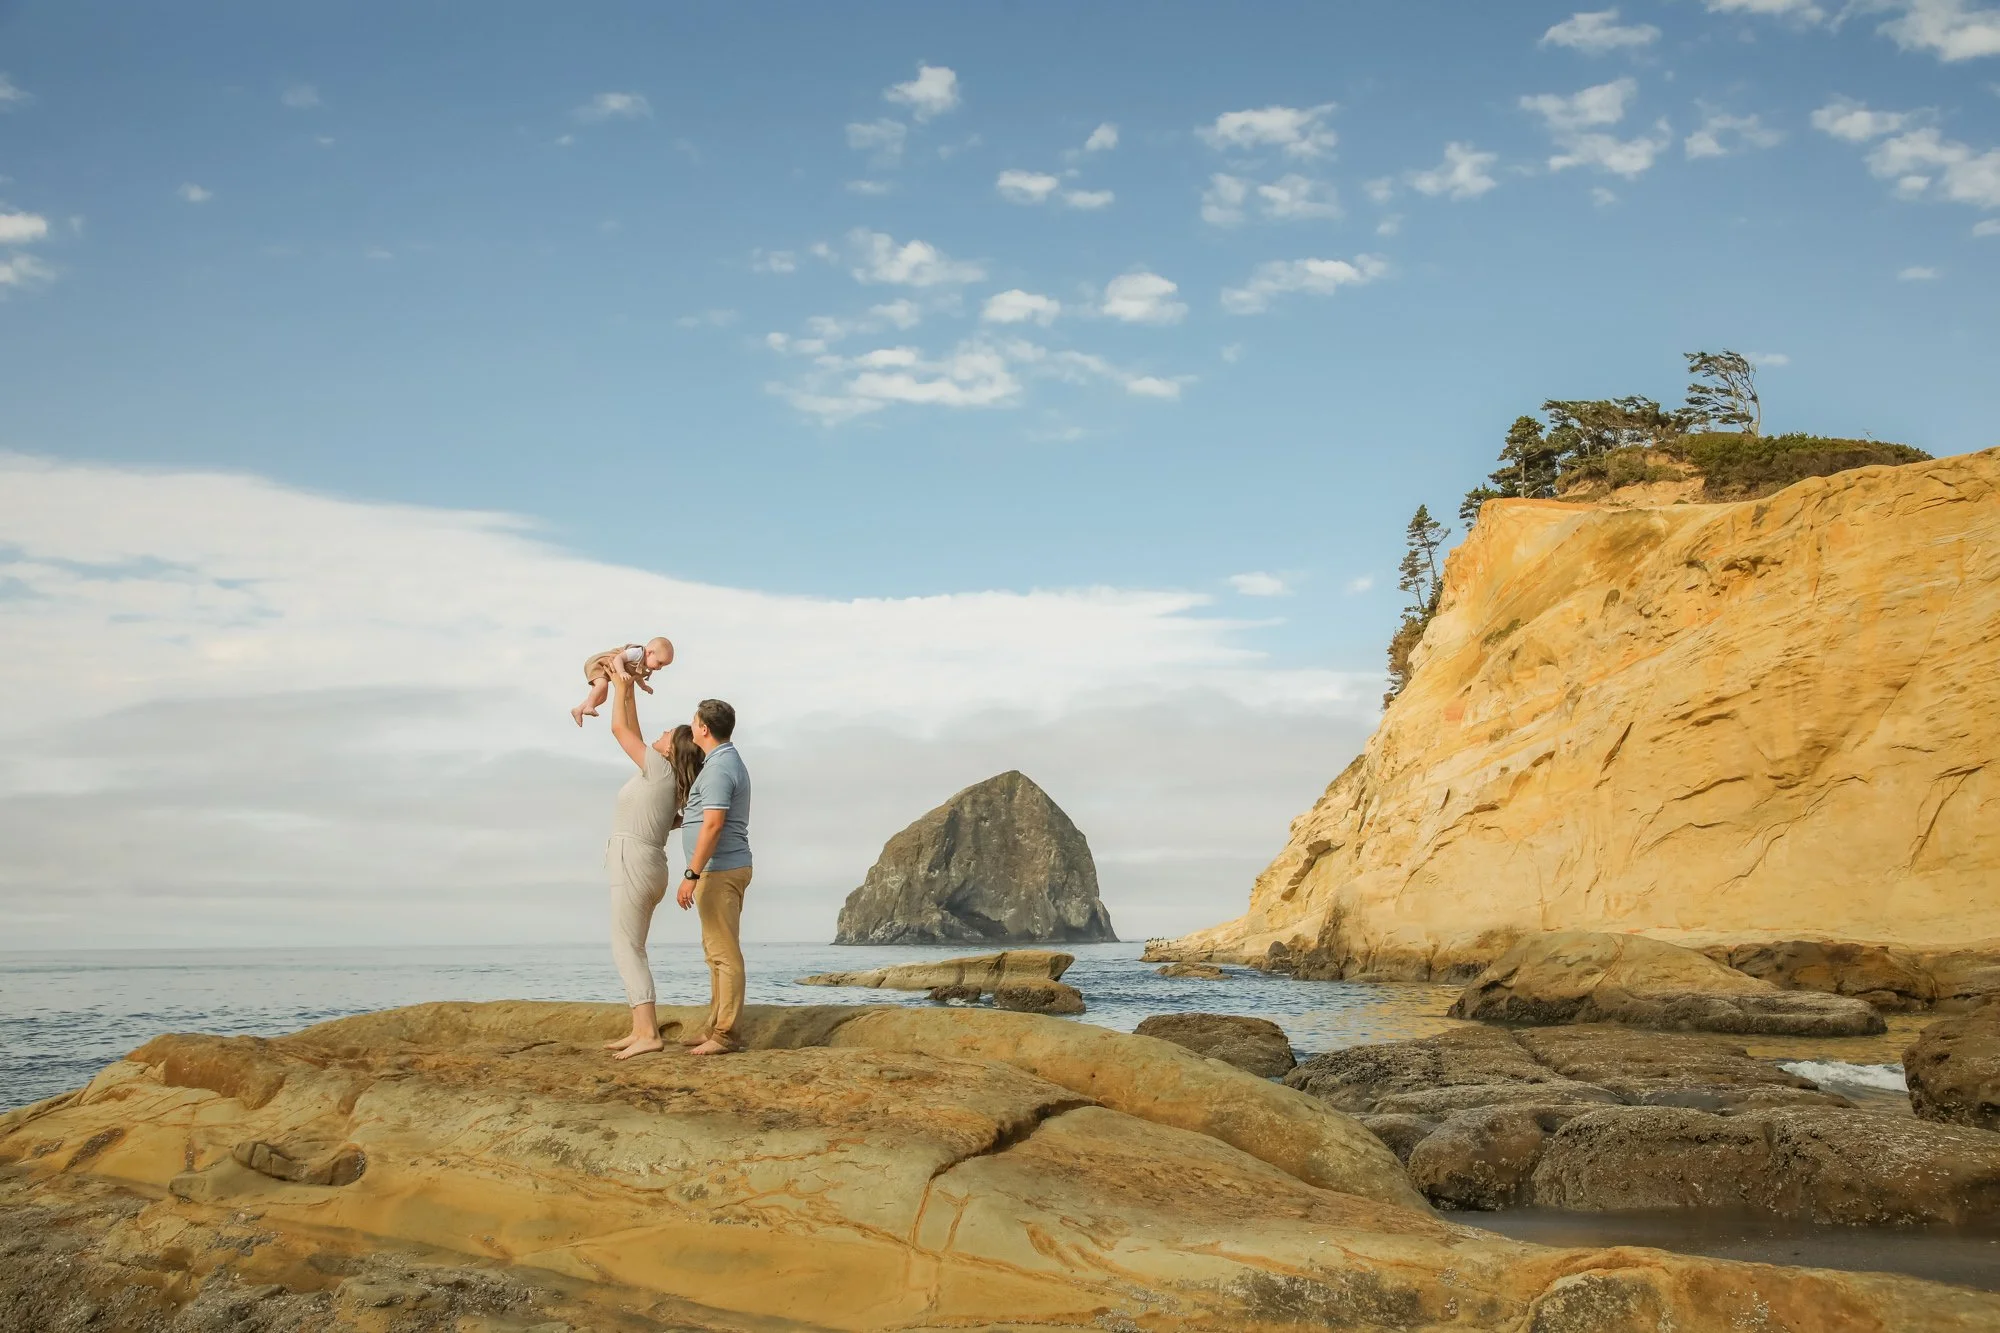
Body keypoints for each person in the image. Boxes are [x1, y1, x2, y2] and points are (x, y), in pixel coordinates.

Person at [601, 672, 703, 1060]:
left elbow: (618, 728)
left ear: (671, 749)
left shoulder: (660, 770)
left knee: (626, 948)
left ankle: (647, 1033)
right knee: (633, 946)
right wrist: (624, 688)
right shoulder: (669, 776)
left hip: (634, 861)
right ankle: (639, 1028)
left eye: (665, 734)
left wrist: (617, 683)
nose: (657, 735)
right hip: (648, 863)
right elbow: (632, 726)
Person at [676, 698, 752, 1056]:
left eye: (694, 722)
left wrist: (691, 873)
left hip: (719, 869)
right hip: (716, 869)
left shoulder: (721, 768)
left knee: (724, 953)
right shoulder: (718, 763)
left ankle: (726, 1035)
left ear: (704, 729)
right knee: (714, 953)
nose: (691, 727)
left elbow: (714, 823)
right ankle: (714, 1027)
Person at [573, 636, 675, 727]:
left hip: (604, 669)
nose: (660, 668)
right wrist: (621, 672)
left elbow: (637, 675)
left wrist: (643, 686)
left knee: (602, 697)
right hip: (598, 664)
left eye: (663, 666)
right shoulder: (638, 652)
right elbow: (618, 658)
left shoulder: (642, 662)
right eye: (660, 663)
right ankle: (589, 707)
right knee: (601, 685)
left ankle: (579, 710)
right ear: (649, 653)